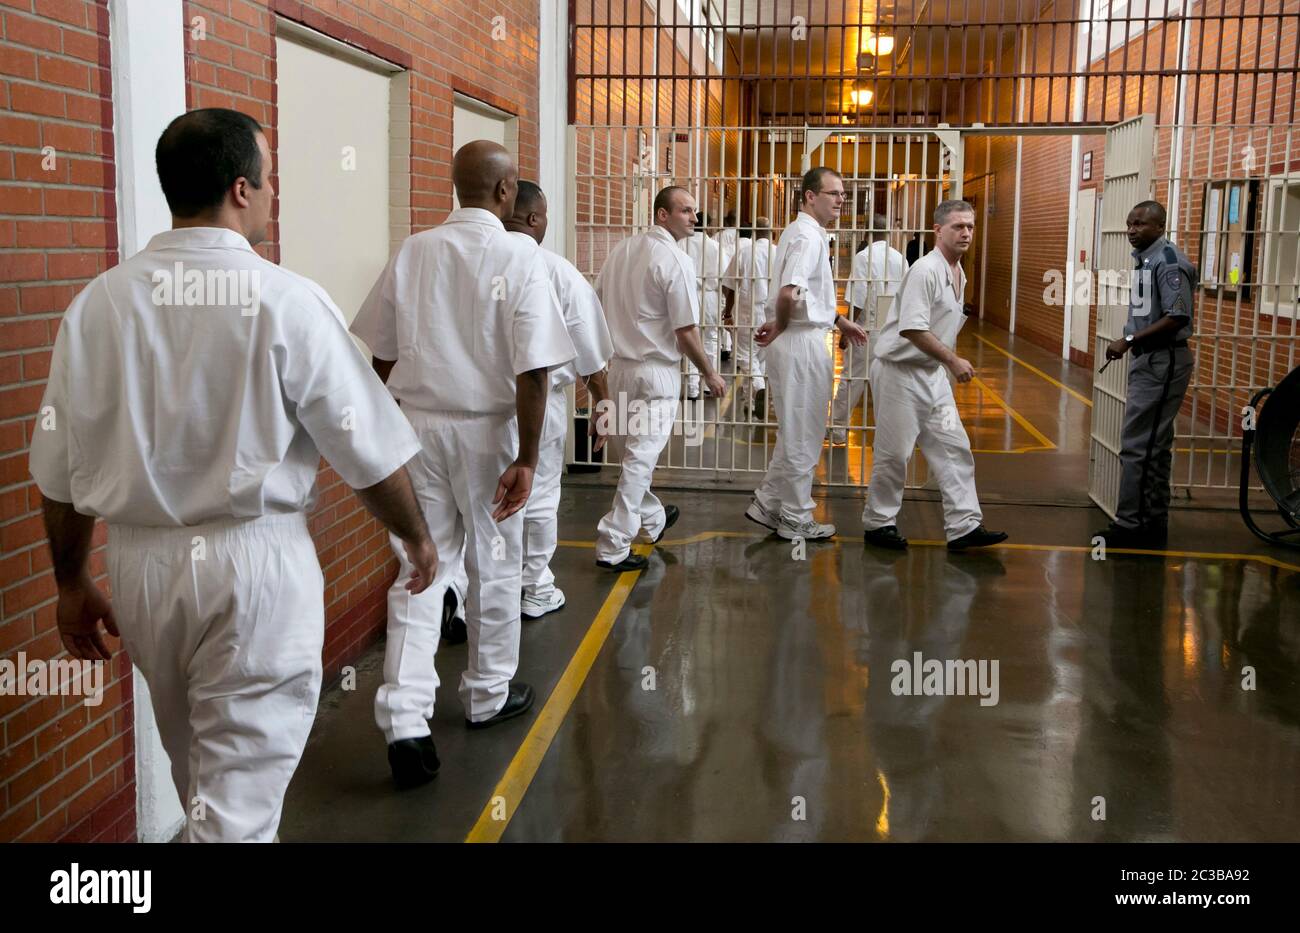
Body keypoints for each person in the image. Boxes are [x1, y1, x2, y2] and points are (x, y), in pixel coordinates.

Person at [28, 108, 436, 840]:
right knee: (234, 809)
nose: (274, 195)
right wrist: (416, 537)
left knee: (207, 788)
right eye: (271, 179)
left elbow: (58, 475)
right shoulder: (287, 300)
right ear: (242, 189)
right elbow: (365, 448)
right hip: (254, 570)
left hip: (141, 572)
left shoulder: (96, 308)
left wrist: (69, 581)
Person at [351, 140, 575, 788]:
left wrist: (385, 428)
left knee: (424, 563)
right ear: (507, 193)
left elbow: (381, 358)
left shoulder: (415, 249)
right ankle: (485, 694)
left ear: (456, 187)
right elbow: (534, 368)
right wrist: (528, 458)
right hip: (489, 431)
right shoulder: (519, 254)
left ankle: (404, 717)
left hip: (416, 428)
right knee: (495, 562)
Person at [439, 181, 612, 632]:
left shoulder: (450, 260)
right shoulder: (554, 270)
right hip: (538, 403)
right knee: (534, 497)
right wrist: (603, 402)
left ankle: (456, 592)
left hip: (458, 407)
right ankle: (532, 587)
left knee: (467, 507)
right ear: (535, 219)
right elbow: (589, 352)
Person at [861, 199, 1007, 552]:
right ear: (937, 230)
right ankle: (879, 523)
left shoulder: (958, 272)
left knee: (954, 447)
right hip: (900, 374)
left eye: (970, 226)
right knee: (894, 454)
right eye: (958, 226)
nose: (967, 233)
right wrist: (953, 361)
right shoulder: (925, 270)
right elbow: (912, 328)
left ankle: (965, 526)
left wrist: (944, 364)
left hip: (930, 375)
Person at [594, 186, 725, 571]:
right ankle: (613, 543)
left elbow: (596, 305)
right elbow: (686, 332)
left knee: (634, 460)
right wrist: (710, 373)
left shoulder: (621, 251)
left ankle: (652, 520)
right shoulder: (674, 259)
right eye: (686, 211)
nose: (694, 219)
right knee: (640, 462)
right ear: (662, 215)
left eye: (695, 212)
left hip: (620, 370)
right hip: (655, 373)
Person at [745, 167, 867, 541]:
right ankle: (796, 517)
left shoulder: (805, 233)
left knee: (795, 429)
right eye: (834, 193)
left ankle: (768, 503)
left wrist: (838, 319)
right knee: (805, 431)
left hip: (802, 336)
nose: (841, 200)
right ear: (810, 196)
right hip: (800, 341)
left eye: (843, 194)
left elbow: (805, 294)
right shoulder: (808, 236)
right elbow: (789, 293)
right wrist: (781, 324)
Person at [1094, 200, 1196, 549]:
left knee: (1138, 445)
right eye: (1129, 224)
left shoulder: (1168, 263)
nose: (1132, 231)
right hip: (1149, 361)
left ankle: (1131, 525)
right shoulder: (1146, 260)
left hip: (1163, 362)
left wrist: (1128, 340)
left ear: (1159, 226)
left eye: (1139, 225)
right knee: (1153, 446)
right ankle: (1152, 523)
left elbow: (1177, 316)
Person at [829, 215, 908, 445]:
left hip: (866, 330)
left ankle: (838, 428)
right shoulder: (900, 259)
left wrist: (846, 331)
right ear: (888, 233)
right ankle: (888, 434)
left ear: (866, 233)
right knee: (889, 383)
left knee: (851, 378)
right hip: (892, 330)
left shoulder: (864, 258)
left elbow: (858, 298)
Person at [722, 216, 774, 421]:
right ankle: (750, 403)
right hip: (771, 311)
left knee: (745, 355)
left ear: (753, 232)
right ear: (771, 233)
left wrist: (727, 313)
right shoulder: (778, 253)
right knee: (761, 358)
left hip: (748, 310)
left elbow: (730, 287)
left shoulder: (744, 252)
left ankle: (758, 389)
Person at [679, 213, 724, 400]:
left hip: (687, 294)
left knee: (690, 339)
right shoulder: (714, 246)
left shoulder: (681, 244)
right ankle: (708, 385)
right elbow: (724, 275)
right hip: (710, 295)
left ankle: (690, 388)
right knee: (710, 339)